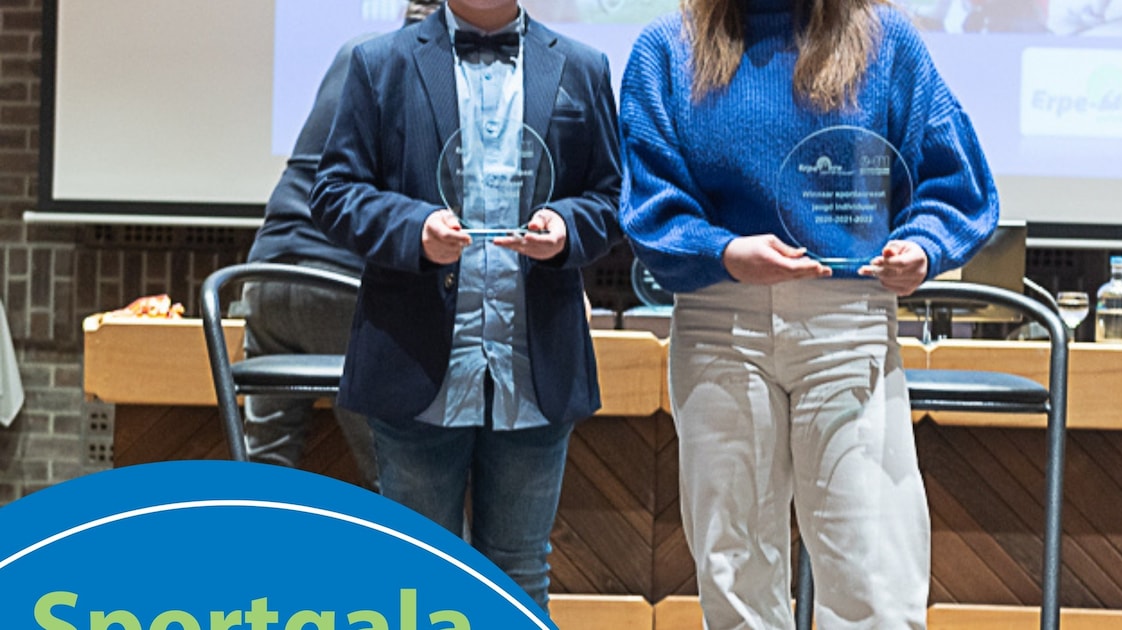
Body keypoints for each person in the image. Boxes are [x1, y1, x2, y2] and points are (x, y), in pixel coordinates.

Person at [619, 0, 999, 628]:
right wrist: (726, 251)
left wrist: (924, 248)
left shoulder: (884, 39)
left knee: (873, 565)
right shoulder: (668, 47)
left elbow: (953, 180)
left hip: (846, 320)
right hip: (721, 317)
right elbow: (648, 199)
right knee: (732, 567)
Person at [309, 0, 623, 611]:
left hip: (534, 371)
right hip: (415, 365)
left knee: (520, 575)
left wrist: (566, 226)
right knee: (414, 580)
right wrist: (415, 228)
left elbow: (611, 198)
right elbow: (334, 190)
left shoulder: (583, 66)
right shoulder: (381, 62)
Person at [242, 3, 443, 490]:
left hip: (266, 275)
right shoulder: (432, 73)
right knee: (402, 490)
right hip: (343, 285)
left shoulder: (358, 52)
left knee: (265, 477)